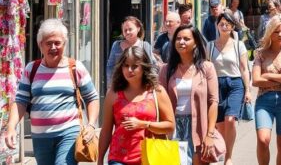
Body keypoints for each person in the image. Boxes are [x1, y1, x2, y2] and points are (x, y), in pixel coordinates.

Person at [4, 19, 100, 165]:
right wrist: (11, 127)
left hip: (69, 133)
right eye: (48, 43)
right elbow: (20, 102)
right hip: (40, 137)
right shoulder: (31, 69)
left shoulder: (75, 67)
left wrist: (91, 125)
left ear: (64, 44)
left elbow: (92, 97)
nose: (53, 47)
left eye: (57, 43)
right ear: (40, 45)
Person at [98, 45, 175, 165]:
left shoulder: (157, 91)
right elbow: (106, 130)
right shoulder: (113, 93)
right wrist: (99, 159)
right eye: (126, 66)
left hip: (149, 157)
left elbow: (170, 126)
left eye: (134, 66)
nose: (129, 70)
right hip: (118, 158)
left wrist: (143, 124)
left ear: (144, 67)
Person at [160, 25, 219, 165]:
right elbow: (159, 101)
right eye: (178, 39)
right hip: (173, 126)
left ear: (196, 43)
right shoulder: (166, 69)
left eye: (186, 39)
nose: (181, 42)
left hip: (198, 126)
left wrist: (210, 134)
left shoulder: (207, 68)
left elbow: (213, 102)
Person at [252, 14, 281, 165]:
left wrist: (268, 75)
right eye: (276, 31)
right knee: (263, 140)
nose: (280, 35)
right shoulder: (260, 53)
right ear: (270, 33)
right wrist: (280, 79)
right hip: (264, 101)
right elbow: (256, 80)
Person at [207, 12, 251, 165]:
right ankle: (224, 149)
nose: (224, 26)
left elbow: (244, 69)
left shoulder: (239, 45)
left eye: (227, 24)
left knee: (230, 120)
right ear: (217, 26)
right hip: (216, 85)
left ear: (232, 27)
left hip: (235, 83)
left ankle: (228, 157)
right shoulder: (210, 45)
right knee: (219, 124)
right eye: (221, 24)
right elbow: (206, 67)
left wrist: (248, 90)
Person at [106, 16, 157, 86]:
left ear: (138, 28)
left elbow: (152, 66)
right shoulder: (116, 45)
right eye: (125, 30)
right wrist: (111, 86)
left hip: (140, 86)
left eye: (130, 29)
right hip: (120, 86)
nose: (127, 32)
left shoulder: (145, 46)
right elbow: (110, 67)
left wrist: (151, 85)